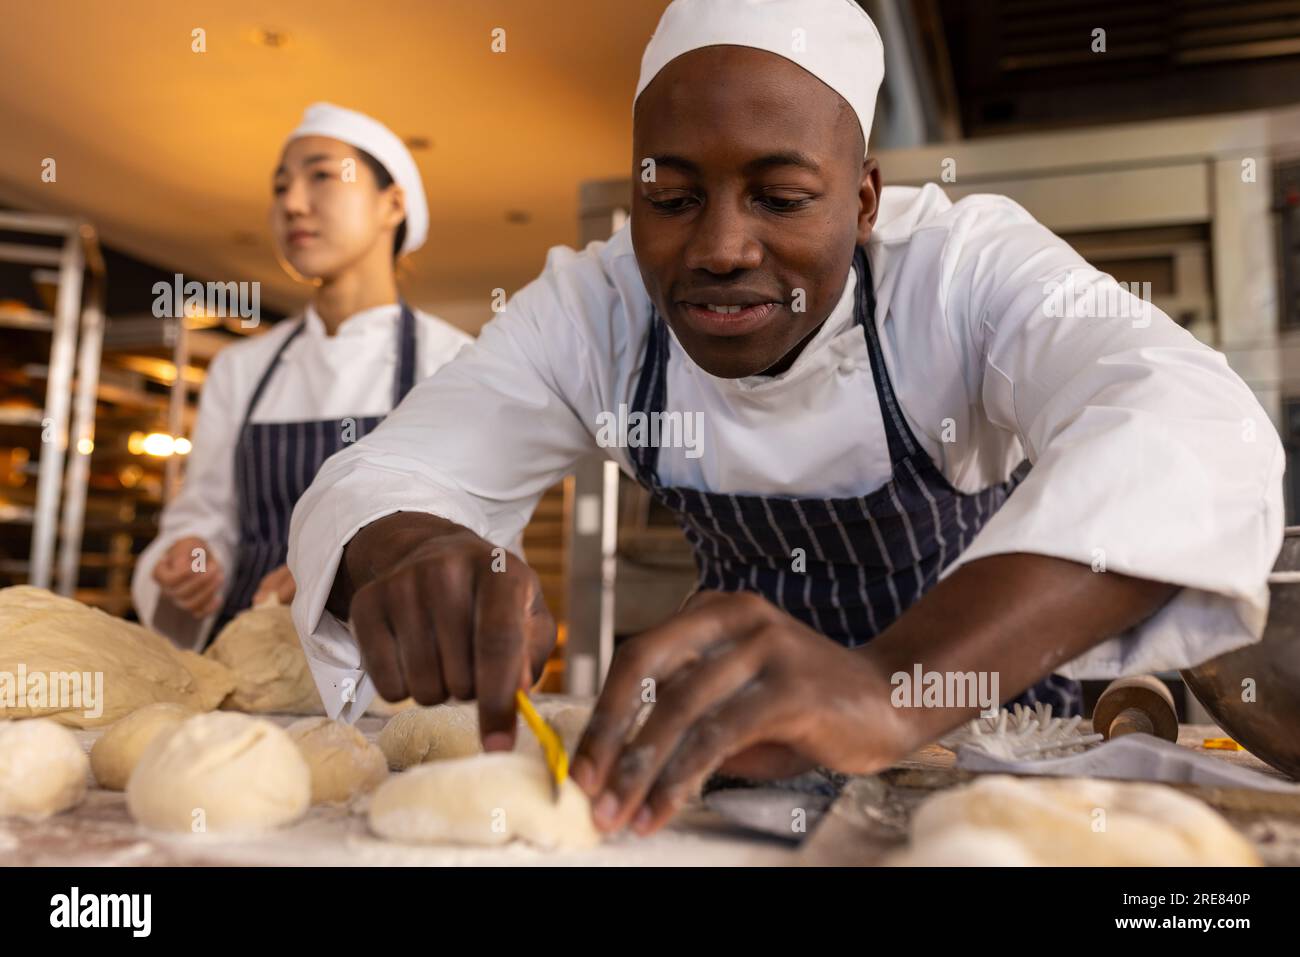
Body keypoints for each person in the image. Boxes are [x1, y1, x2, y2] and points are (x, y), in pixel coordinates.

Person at [288, 0, 1284, 836]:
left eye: (780, 195)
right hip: (733, 775)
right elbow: (390, 475)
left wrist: (888, 687)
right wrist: (407, 544)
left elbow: (1186, 421)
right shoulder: (591, 310)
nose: (720, 246)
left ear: (861, 201)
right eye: (672, 197)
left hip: (993, 770)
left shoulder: (960, 274)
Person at [133, 102, 471, 649]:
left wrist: (343, 575)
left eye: (321, 175)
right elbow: (207, 517)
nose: (292, 203)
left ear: (393, 204)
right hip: (240, 665)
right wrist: (193, 558)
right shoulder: (242, 368)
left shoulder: (454, 363)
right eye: (280, 186)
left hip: (390, 681)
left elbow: (479, 542)